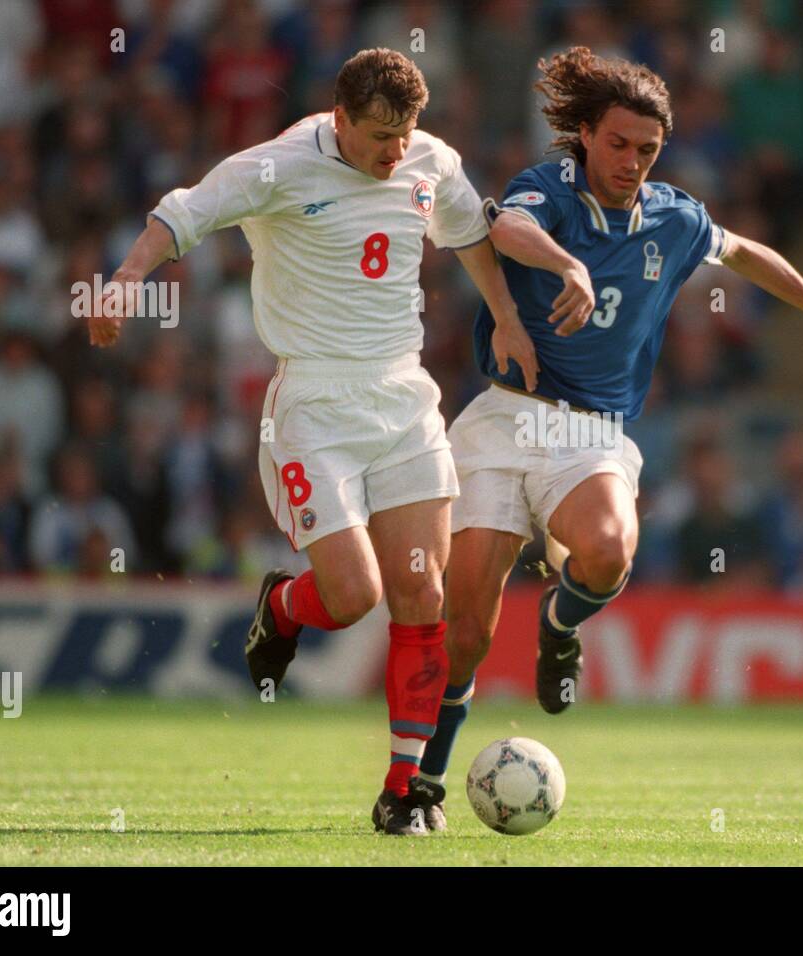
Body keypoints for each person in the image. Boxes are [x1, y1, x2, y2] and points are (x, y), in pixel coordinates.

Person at [411, 47, 803, 829]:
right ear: (585, 135)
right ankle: (421, 788)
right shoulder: (552, 190)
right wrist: (569, 264)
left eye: (647, 149)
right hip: (504, 420)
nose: (631, 162)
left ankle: (561, 625)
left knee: (607, 551)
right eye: (617, 144)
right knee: (465, 631)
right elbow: (503, 230)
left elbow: (747, 254)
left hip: (591, 433)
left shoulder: (674, 218)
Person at [89, 49, 538, 836]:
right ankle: (286, 608)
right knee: (353, 595)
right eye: (376, 138)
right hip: (315, 405)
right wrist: (126, 277)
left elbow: (469, 231)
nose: (393, 153)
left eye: (403, 135)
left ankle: (404, 791)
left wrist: (502, 314)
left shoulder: (428, 159)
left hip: (402, 398)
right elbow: (180, 213)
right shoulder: (279, 166)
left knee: (422, 593)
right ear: (339, 119)